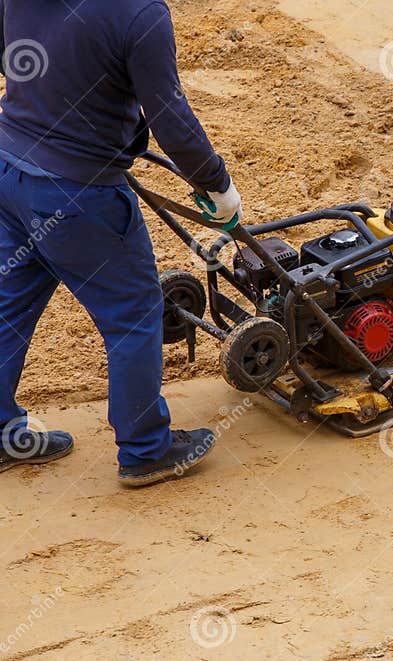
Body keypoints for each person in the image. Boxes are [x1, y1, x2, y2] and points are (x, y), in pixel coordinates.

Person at [0, 0, 243, 486]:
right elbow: (172, 120)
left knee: (9, 305)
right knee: (133, 315)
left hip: (9, 169)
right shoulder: (140, 13)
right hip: (79, 194)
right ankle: (146, 449)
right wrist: (217, 185)